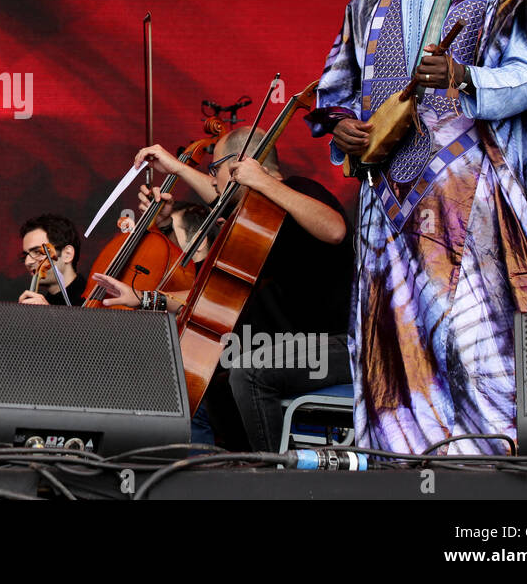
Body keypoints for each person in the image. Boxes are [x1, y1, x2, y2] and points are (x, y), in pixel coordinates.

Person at [307, 0, 527, 455]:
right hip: (388, 205)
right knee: (396, 342)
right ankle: (403, 465)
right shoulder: (366, 3)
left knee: (475, 340)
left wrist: (462, 75)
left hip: (467, 200)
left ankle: (489, 465)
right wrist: (343, 125)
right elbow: (333, 91)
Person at [96, 128, 353, 452]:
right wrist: (143, 298)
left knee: (249, 373)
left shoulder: (298, 190)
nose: (212, 181)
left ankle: (272, 478)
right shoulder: (251, 224)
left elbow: (334, 229)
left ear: (239, 165)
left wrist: (261, 181)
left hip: (337, 346)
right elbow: (209, 300)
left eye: (213, 170)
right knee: (202, 384)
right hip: (288, 348)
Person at [17, 214, 87, 306]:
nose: (27, 262)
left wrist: (49, 317)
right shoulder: (41, 304)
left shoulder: (95, 299)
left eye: (38, 252)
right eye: (26, 255)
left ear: (67, 254)